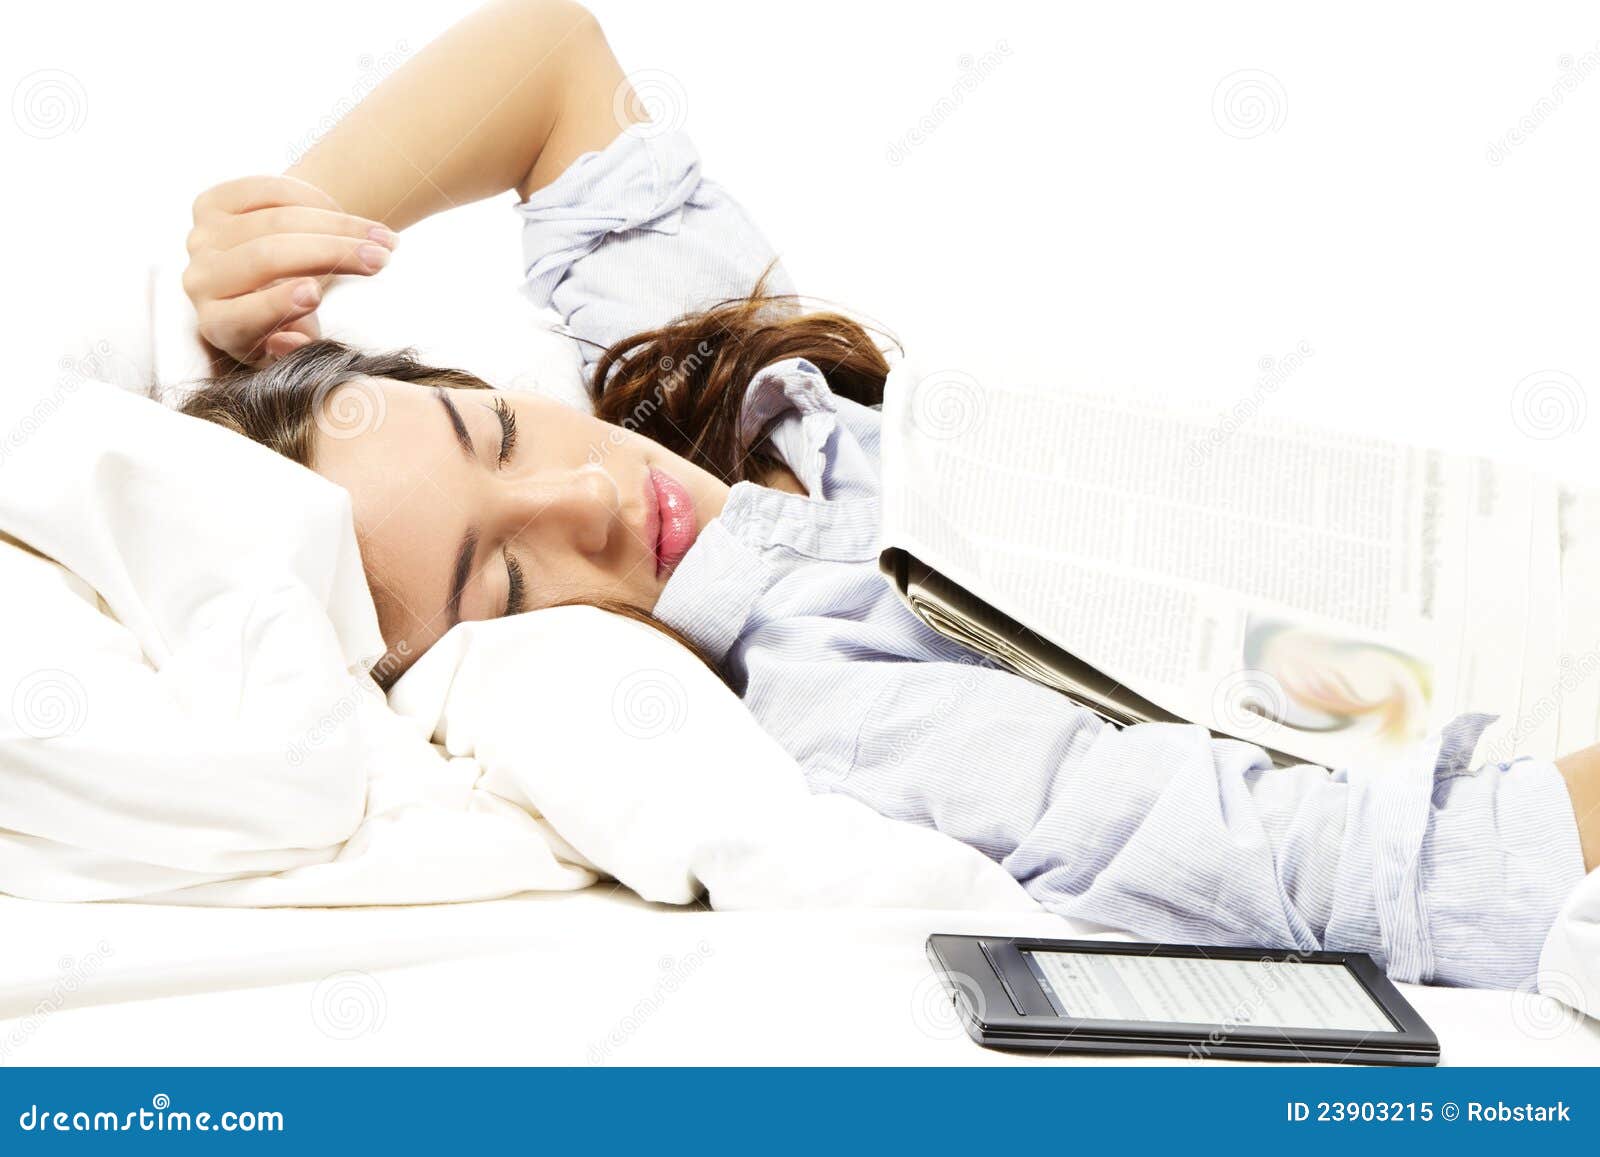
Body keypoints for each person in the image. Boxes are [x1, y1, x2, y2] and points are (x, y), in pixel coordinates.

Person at [179, 0, 1597, 990]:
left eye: (494, 431)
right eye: (509, 580)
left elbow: (554, 58)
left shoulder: (695, 424)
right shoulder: (850, 718)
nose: (586, 499)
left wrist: (275, 234)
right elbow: (1400, 874)